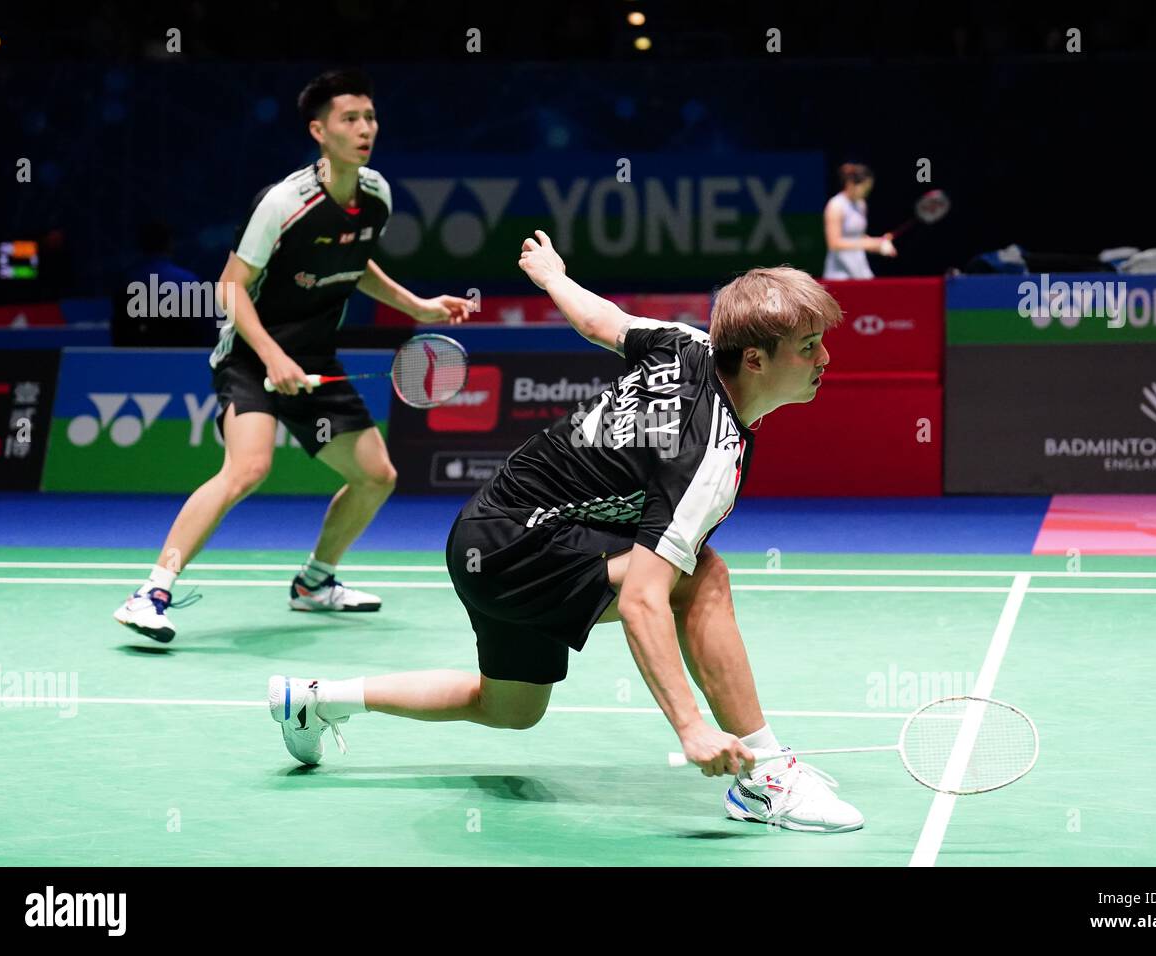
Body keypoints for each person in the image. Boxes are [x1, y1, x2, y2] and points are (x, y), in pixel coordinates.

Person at [266, 230, 866, 833]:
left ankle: (316, 699)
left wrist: (553, 277)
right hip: (515, 549)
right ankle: (765, 775)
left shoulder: (690, 344)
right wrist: (691, 726)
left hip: (493, 529)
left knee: (508, 709)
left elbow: (600, 322)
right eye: (808, 346)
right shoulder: (705, 453)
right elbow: (642, 601)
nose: (824, 360)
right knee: (701, 577)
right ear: (756, 360)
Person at [113, 68, 471, 643]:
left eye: (370, 117)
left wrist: (417, 307)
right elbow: (230, 288)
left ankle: (315, 582)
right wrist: (272, 356)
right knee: (247, 468)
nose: (364, 129)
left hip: (314, 360)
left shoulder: (375, 195)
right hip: (252, 359)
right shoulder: (283, 202)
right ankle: (151, 591)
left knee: (377, 475)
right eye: (349, 119)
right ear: (318, 130)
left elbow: (355, 265)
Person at [822, 162, 896, 279]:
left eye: (868, 189)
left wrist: (878, 244)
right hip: (840, 272)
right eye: (864, 189)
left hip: (860, 268)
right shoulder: (836, 205)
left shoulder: (861, 204)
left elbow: (859, 237)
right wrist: (869, 243)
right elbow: (834, 243)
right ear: (850, 184)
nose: (866, 193)